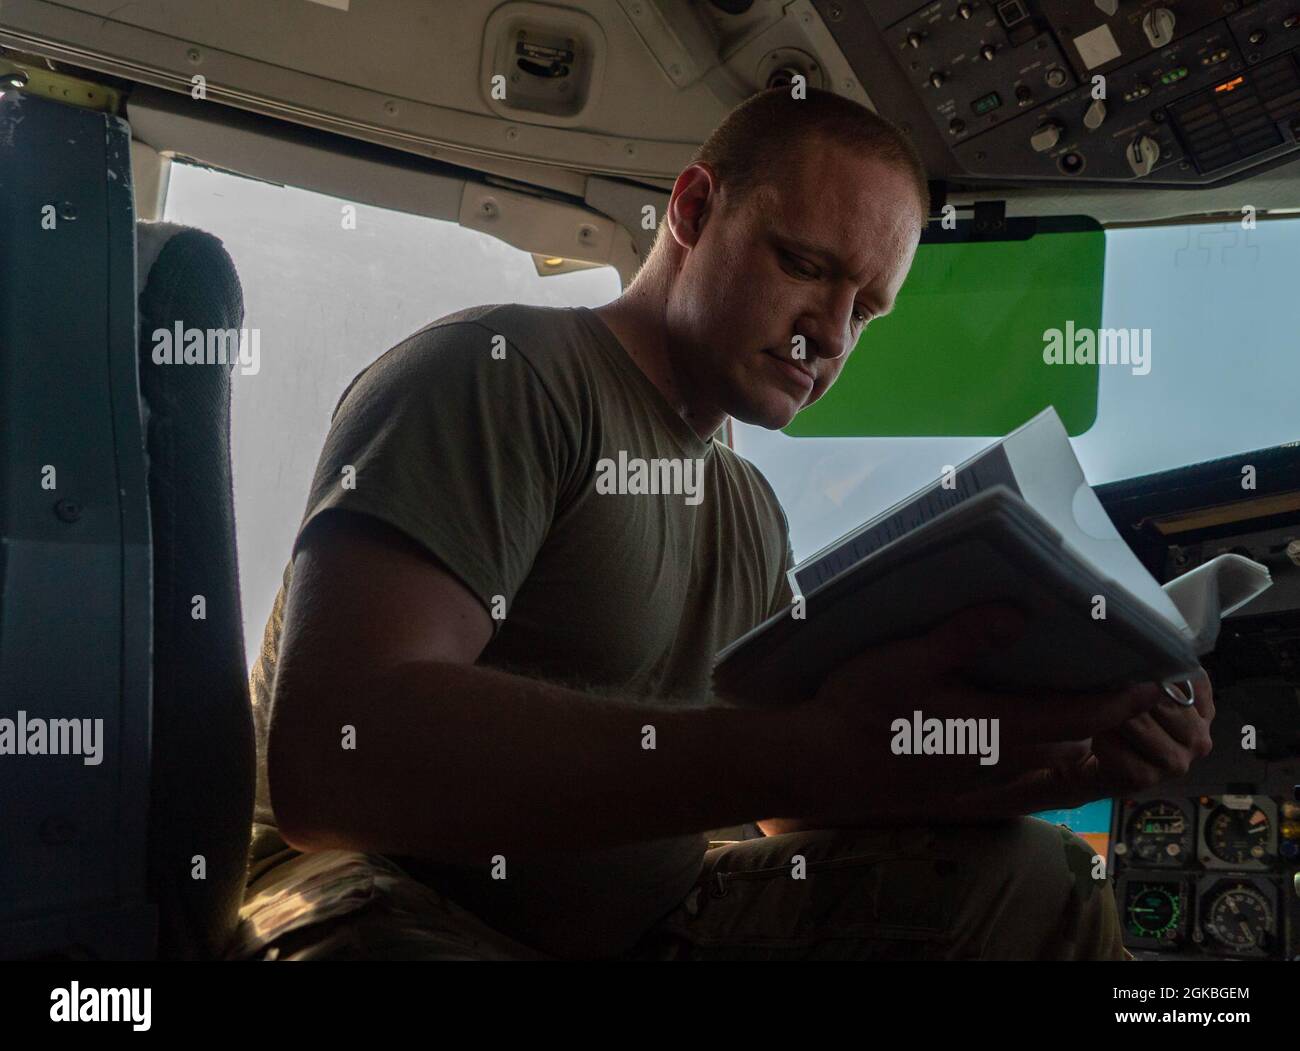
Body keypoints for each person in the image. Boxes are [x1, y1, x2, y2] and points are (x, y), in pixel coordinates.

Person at [231, 87, 1214, 961]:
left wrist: (1054, 754)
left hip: (646, 919)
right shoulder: (500, 376)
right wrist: (804, 746)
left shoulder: (746, 511)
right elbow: (333, 757)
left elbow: (786, 805)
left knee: (1041, 886)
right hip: (375, 895)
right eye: (803, 265)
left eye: (866, 308)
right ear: (694, 210)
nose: (829, 334)